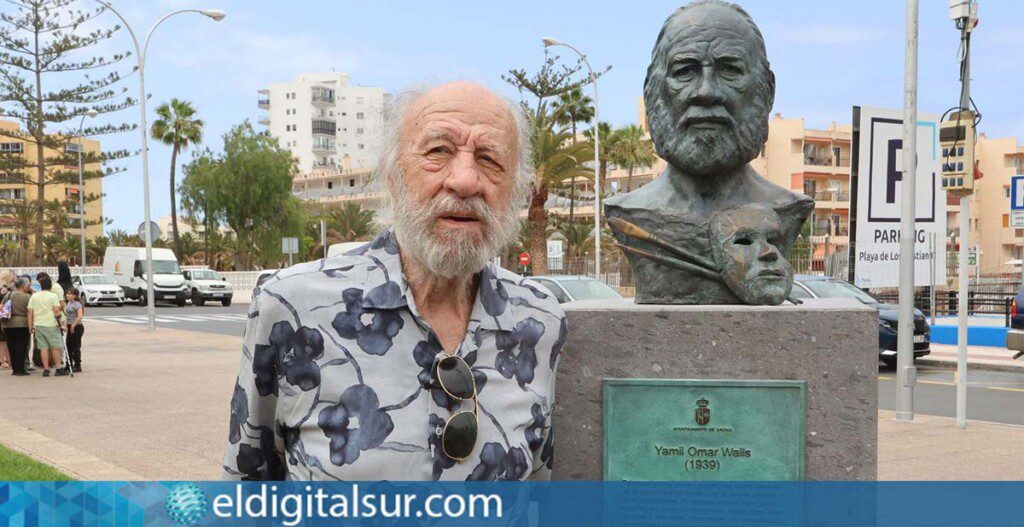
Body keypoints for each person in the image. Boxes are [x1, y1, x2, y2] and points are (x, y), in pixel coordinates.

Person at [222, 82, 566, 481]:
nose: (466, 180)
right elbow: (246, 489)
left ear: (516, 189)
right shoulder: (292, 306)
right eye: (439, 151)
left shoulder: (540, 321)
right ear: (392, 172)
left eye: (490, 159)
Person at [604, 0, 813, 304]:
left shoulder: (789, 209)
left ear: (767, 90)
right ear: (652, 92)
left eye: (730, 70)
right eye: (685, 71)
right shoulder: (628, 214)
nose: (706, 91)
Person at [27, 275, 66, 377]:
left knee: (43, 348)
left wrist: (30, 326)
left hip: (38, 325)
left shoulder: (34, 296)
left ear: (40, 285)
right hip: (51, 324)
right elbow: (56, 311)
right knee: (54, 347)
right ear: (50, 286)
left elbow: (30, 312)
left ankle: (46, 369)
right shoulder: (53, 296)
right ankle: (58, 368)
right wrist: (61, 323)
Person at [2, 277, 32, 376]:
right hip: (22, 324)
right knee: (21, 347)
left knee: (11, 347)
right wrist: (31, 325)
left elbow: (1, 307)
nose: (28, 287)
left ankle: (15, 369)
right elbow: (29, 312)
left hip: (8, 324)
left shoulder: (8, 294)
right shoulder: (26, 297)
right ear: (23, 286)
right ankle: (20, 369)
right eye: (28, 285)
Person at [64, 287, 85, 373]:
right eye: (67, 293)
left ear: (75, 295)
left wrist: (73, 324)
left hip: (77, 327)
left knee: (76, 346)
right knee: (68, 345)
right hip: (69, 326)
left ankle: (77, 365)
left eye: (69, 293)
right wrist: (65, 324)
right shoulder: (68, 303)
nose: (67, 295)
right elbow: (67, 316)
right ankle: (69, 364)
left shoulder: (77, 304)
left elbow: (80, 316)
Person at [0, 269, 14, 369]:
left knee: (5, 339)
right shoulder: (4, 289)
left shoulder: (6, 288)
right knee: (3, 340)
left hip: (4, 315)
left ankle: (8, 359)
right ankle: (3, 360)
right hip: (3, 316)